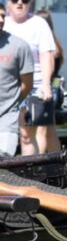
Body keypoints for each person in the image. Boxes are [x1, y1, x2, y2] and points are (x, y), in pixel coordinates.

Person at [5, 0, 58, 155]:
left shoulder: (39, 24)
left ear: (30, 3)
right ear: (8, 2)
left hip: (33, 86)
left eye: (24, 0)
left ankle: (31, 172)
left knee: (27, 133)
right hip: (8, 87)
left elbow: (46, 55)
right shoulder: (3, 22)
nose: (20, 3)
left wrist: (47, 84)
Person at [33, 9, 64, 153]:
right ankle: (58, 162)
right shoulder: (55, 42)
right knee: (50, 131)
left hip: (45, 90)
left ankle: (37, 163)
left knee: (40, 130)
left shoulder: (50, 46)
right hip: (53, 90)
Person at [0, 23, 34, 157]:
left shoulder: (19, 46)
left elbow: (27, 84)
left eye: (3, 15)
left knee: (3, 166)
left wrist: (10, 103)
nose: (1, 19)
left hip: (6, 121)